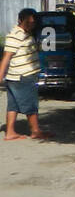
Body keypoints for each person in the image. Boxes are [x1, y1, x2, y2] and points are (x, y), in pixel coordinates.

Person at [1, 8, 51, 141]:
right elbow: (6, 57)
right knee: (31, 105)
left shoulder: (26, 33)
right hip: (22, 77)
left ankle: (10, 132)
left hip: (15, 77)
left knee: (13, 106)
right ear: (20, 20)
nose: (31, 25)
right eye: (27, 23)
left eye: (33, 23)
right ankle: (35, 131)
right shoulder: (15, 35)